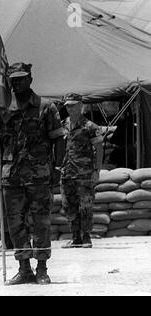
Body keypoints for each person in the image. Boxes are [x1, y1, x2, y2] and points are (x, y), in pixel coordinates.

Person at [0, 63, 65, 285]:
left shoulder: (46, 107)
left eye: (21, 79)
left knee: (41, 221)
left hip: (39, 174)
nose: (17, 83)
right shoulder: (4, 108)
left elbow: (58, 139)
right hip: (11, 175)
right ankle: (24, 268)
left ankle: (42, 268)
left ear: (30, 80)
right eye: (13, 79)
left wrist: (56, 168)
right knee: (15, 223)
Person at [60, 93, 104, 249]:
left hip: (84, 173)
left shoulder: (90, 126)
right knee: (68, 205)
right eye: (67, 106)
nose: (69, 108)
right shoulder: (63, 125)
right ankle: (75, 237)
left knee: (85, 205)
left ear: (80, 105)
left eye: (72, 105)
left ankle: (86, 237)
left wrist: (97, 170)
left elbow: (99, 149)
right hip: (67, 172)